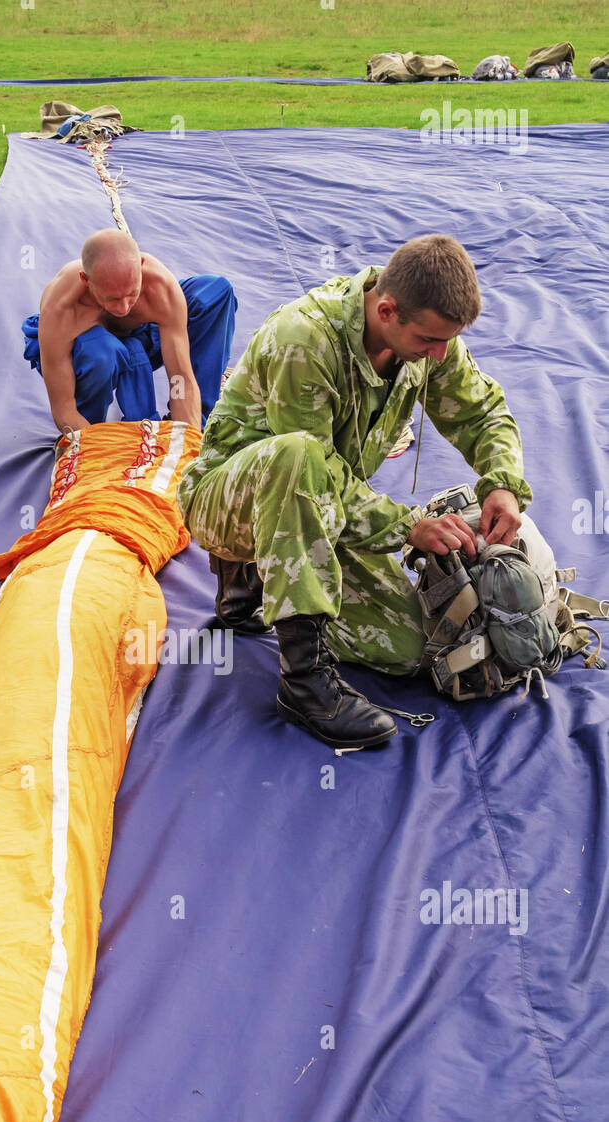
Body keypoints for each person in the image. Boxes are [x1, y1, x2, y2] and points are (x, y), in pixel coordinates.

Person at [176, 234, 533, 751]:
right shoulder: (305, 339)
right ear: (386, 310)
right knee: (297, 456)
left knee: (411, 648)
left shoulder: (428, 337)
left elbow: (481, 412)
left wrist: (502, 483)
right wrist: (409, 525)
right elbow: (314, 466)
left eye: (446, 343)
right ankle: (303, 683)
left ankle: (258, 577)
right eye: (430, 341)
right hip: (230, 503)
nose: (439, 355)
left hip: (318, 509)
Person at [22, 228, 237, 435]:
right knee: (101, 352)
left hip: (140, 336)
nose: (124, 308)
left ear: (141, 267)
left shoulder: (161, 288)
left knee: (215, 292)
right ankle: (89, 431)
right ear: (86, 280)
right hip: (91, 353)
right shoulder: (61, 309)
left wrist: (185, 442)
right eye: (112, 299)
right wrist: (98, 449)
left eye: (132, 293)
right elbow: (64, 410)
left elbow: (180, 379)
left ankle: (194, 426)